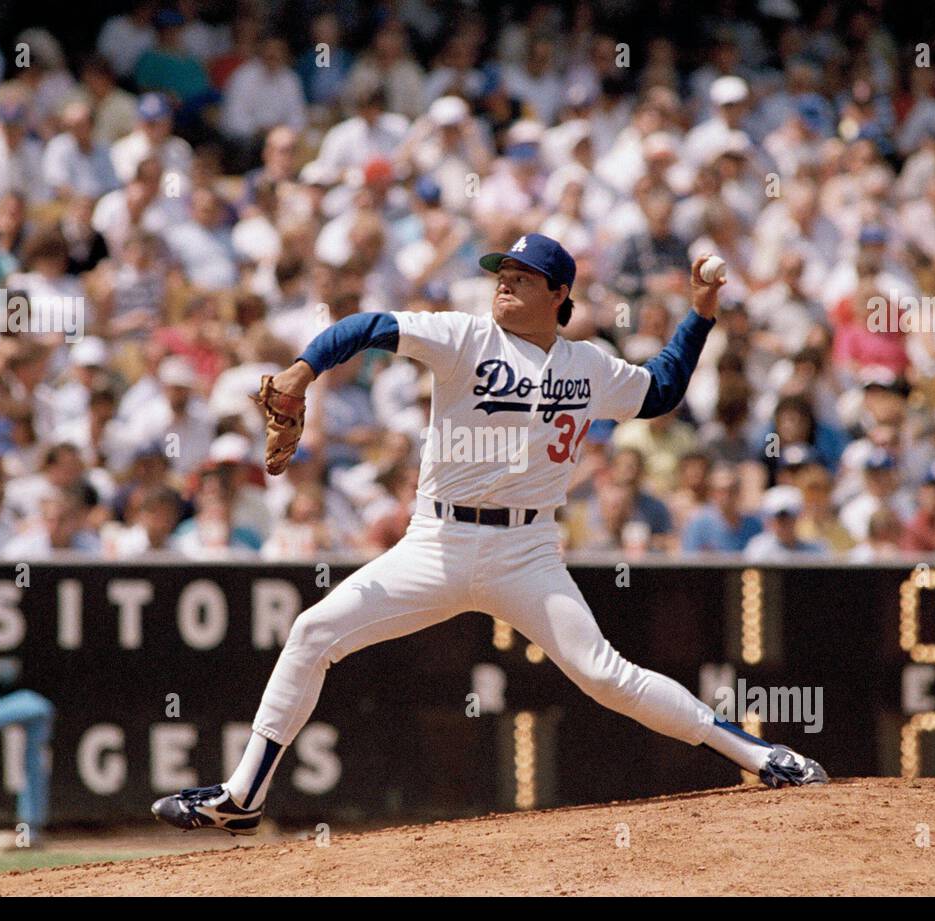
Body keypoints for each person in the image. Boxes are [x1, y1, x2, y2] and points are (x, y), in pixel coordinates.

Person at [152, 234, 828, 835]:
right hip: (435, 544)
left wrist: (700, 312)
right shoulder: (464, 336)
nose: (505, 280)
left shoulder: (588, 365)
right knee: (312, 634)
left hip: (525, 552)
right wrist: (301, 373)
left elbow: (661, 391)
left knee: (605, 675)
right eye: (501, 271)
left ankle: (762, 756)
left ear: (559, 294)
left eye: (523, 275)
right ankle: (244, 796)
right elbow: (366, 326)